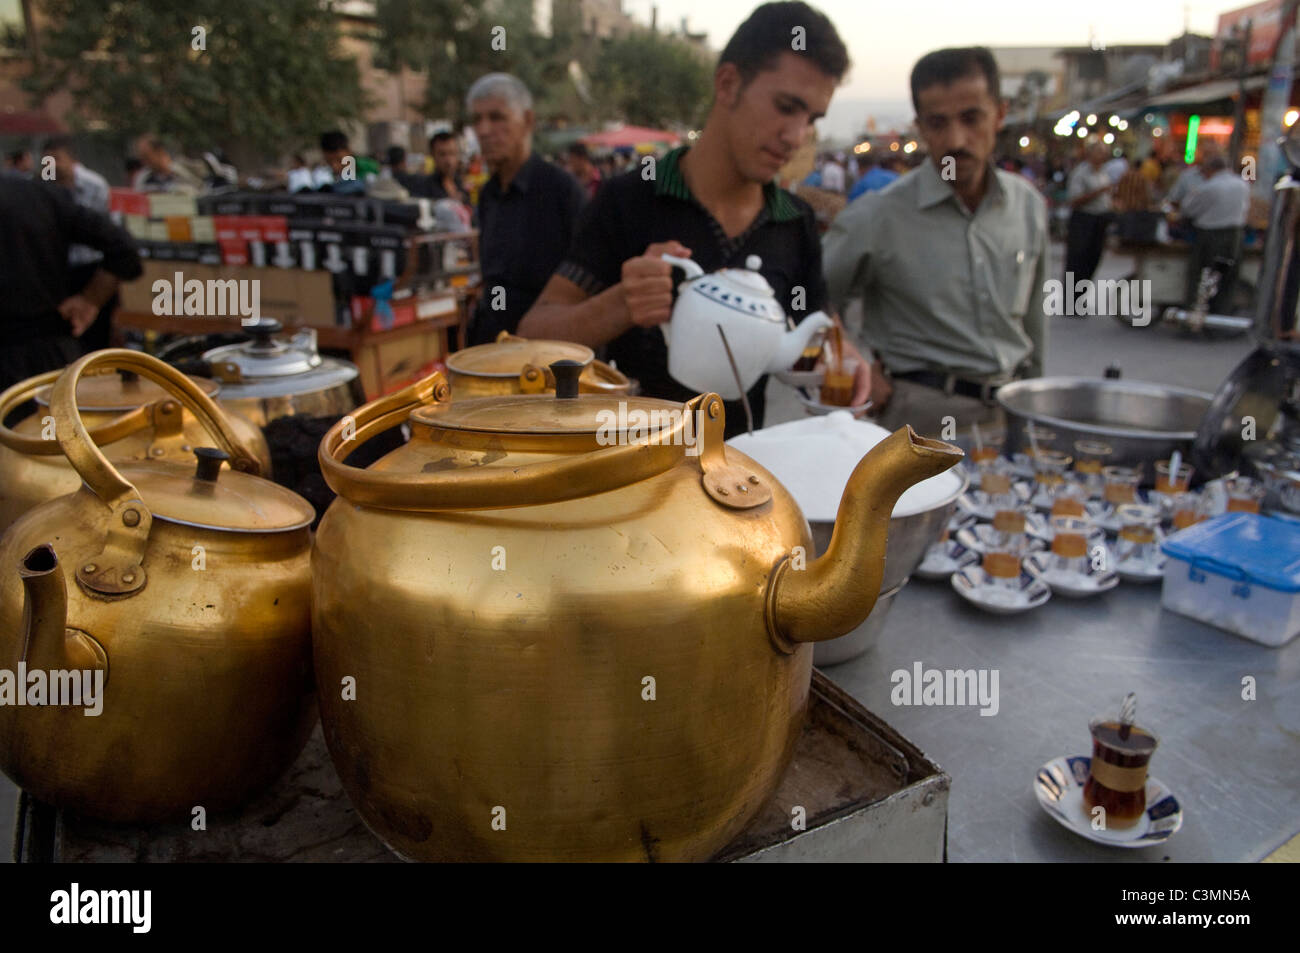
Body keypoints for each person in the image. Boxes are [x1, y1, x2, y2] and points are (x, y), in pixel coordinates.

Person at [518, 2, 866, 438]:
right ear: (728, 84)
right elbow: (532, 337)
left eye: (811, 119)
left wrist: (844, 357)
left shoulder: (793, 222)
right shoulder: (630, 199)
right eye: (785, 107)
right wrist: (620, 305)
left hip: (741, 479)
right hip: (630, 470)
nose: (797, 137)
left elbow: (817, 332)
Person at [822, 46, 1049, 438]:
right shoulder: (881, 214)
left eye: (971, 118)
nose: (956, 139)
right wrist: (851, 361)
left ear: (1000, 114)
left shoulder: (1026, 205)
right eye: (938, 123)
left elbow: (1033, 322)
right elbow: (810, 295)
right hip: (919, 415)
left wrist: (1037, 401)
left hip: (1010, 414)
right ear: (921, 128)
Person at [466, 72, 587, 345]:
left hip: (547, 354)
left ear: (528, 121)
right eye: (477, 120)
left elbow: (588, 281)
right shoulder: (488, 194)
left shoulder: (562, 191)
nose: (484, 130)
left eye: (497, 117)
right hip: (492, 345)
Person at [0, 175, 142, 390]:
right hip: (50, 362)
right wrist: (90, 299)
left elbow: (122, 249)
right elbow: (123, 247)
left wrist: (90, 299)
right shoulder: (38, 193)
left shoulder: (39, 194)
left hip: (40, 351)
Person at [41, 137, 115, 351]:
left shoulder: (94, 185)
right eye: (47, 160)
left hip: (92, 266)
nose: (52, 165)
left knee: (96, 330)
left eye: (56, 159)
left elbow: (102, 228)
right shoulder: (45, 185)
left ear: (72, 160)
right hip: (60, 269)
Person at [1179, 152, 1249, 313]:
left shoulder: (1208, 187)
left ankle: (1195, 313)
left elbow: (1188, 210)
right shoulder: (1242, 185)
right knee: (1226, 277)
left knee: (1202, 276)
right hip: (1234, 236)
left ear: (1210, 169)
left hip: (1210, 236)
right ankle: (1221, 312)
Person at [1064, 140, 1113, 283]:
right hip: (1084, 220)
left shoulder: (1103, 172)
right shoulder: (1081, 173)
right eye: (1099, 151)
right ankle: (1072, 298)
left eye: (1104, 152)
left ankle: (1081, 295)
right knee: (1078, 261)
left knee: (1093, 259)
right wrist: (1098, 192)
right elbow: (1074, 200)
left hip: (1099, 220)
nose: (1102, 155)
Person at [134, 134, 204, 194]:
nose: (143, 162)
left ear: (159, 151)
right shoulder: (144, 178)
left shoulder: (182, 172)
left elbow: (198, 193)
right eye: (141, 157)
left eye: (146, 157)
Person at [425, 131, 468, 202]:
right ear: (433, 155)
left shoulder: (461, 185)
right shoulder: (426, 188)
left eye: (452, 153)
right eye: (442, 154)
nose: (448, 160)